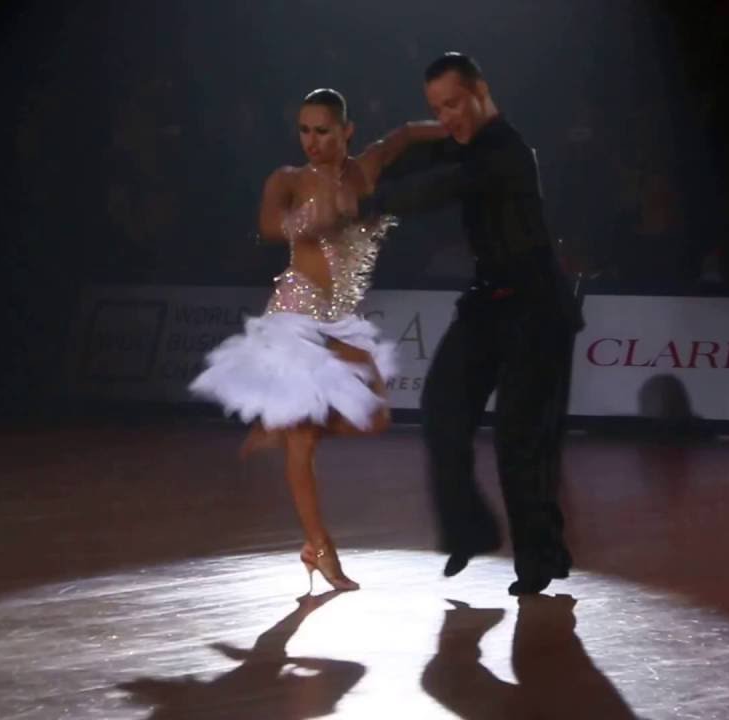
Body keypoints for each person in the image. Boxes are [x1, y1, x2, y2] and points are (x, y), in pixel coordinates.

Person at [190, 89, 447, 593]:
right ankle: (318, 545)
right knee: (302, 447)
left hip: (340, 321)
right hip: (295, 315)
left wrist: (468, 128)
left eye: (323, 130)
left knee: (376, 418)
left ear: (346, 131)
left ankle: (280, 426)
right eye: (304, 130)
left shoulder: (364, 169)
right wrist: (307, 219)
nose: (312, 140)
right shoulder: (288, 179)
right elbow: (267, 225)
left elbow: (408, 136)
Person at [362, 53, 584, 595]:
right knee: (441, 405)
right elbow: (418, 154)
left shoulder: (506, 151)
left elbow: (440, 186)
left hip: (536, 306)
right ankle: (471, 528)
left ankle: (540, 557)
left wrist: (369, 201)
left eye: (454, 103)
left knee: (520, 436)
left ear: (481, 90)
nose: (447, 118)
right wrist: (379, 155)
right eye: (437, 108)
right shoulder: (460, 143)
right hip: (489, 303)